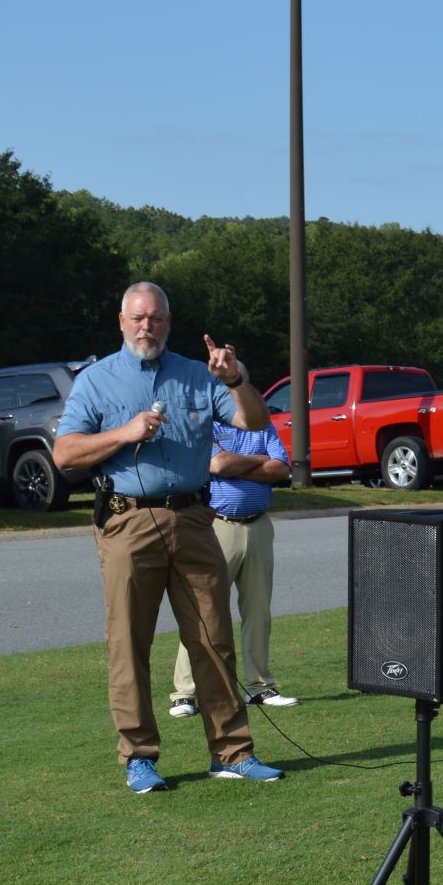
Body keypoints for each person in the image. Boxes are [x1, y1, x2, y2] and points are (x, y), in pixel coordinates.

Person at [53, 282, 284, 793]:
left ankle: (232, 752)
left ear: (168, 322)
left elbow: (254, 419)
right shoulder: (96, 381)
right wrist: (124, 433)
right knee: (128, 643)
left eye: (155, 319)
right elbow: (64, 453)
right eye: (137, 318)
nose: (146, 327)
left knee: (213, 638)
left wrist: (237, 377)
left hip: (196, 520)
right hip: (127, 521)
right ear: (121, 321)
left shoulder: (197, 375)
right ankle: (139, 757)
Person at [168, 420, 297, 718]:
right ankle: (185, 693)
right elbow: (218, 463)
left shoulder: (263, 426)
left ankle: (260, 688)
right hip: (216, 524)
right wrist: (261, 462)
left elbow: (281, 469)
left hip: (259, 525)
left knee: (258, 610)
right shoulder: (206, 425)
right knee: (202, 610)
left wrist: (239, 465)